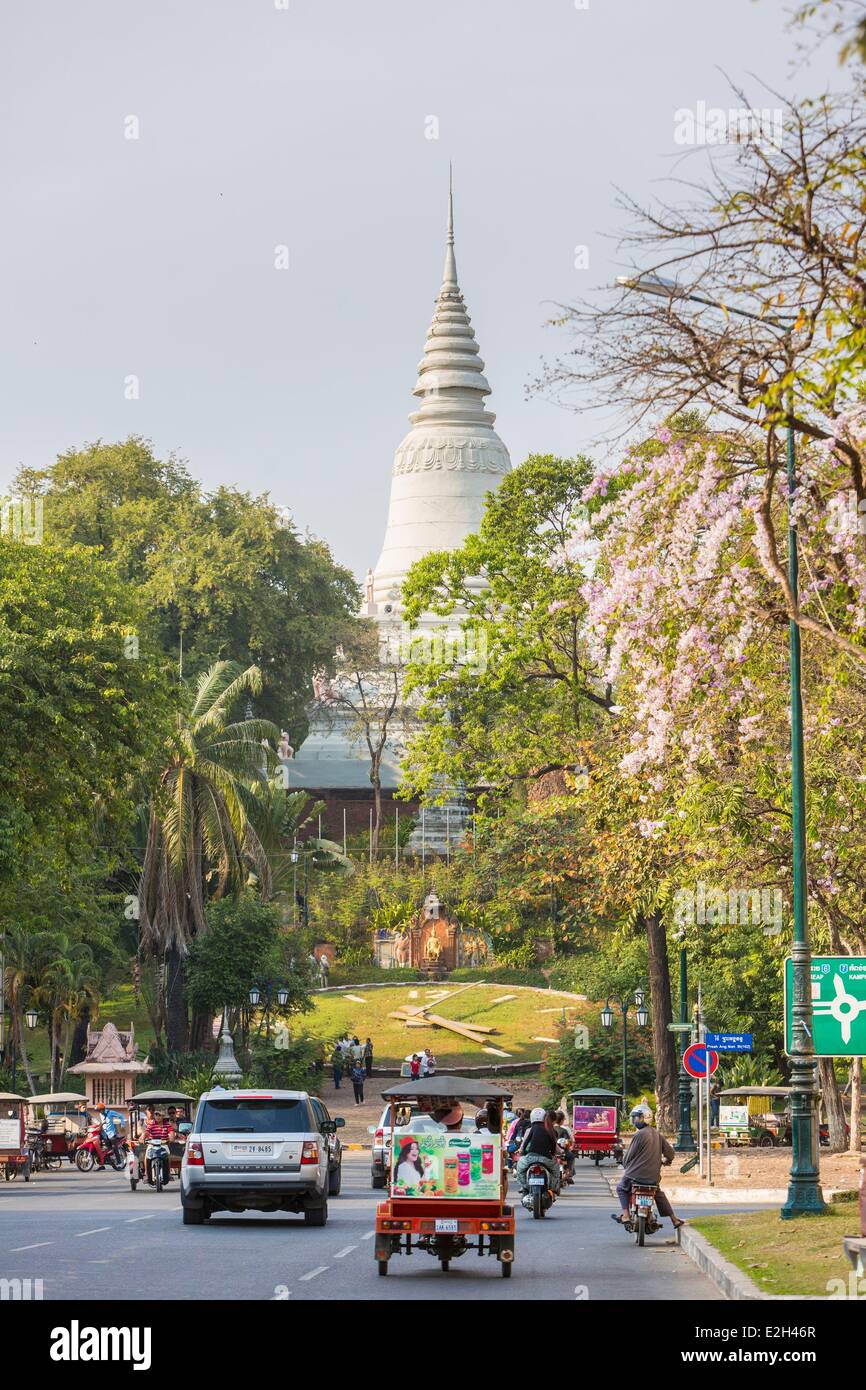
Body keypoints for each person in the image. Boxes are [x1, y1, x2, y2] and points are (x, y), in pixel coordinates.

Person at [611, 1106, 683, 1230]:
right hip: (653, 1177)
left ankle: (626, 1215)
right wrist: (666, 1160)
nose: (634, 1121)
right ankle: (674, 1219)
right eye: (633, 1118)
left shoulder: (639, 1134)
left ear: (645, 1118)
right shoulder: (656, 1134)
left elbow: (628, 1157)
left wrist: (625, 1164)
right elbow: (670, 1153)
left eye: (636, 1118)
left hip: (635, 1176)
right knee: (658, 1193)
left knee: (621, 1188)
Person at [515, 1107, 560, 1194]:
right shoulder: (551, 1130)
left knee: (520, 1168)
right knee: (556, 1170)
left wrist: (522, 1152)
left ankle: (524, 1187)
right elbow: (554, 1145)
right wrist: (553, 1154)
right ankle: (553, 1187)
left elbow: (526, 1141)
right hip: (546, 1159)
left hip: (531, 1157)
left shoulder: (533, 1128)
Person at [94, 1101, 125, 1168]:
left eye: (99, 1110)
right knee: (102, 1148)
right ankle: (102, 1164)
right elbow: (102, 1122)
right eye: (98, 1111)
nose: (99, 1112)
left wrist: (122, 1125)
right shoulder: (100, 1114)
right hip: (104, 1134)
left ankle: (119, 1163)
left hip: (111, 1134)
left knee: (114, 1147)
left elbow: (121, 1116)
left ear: (102, 1109)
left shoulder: (110, 1113)